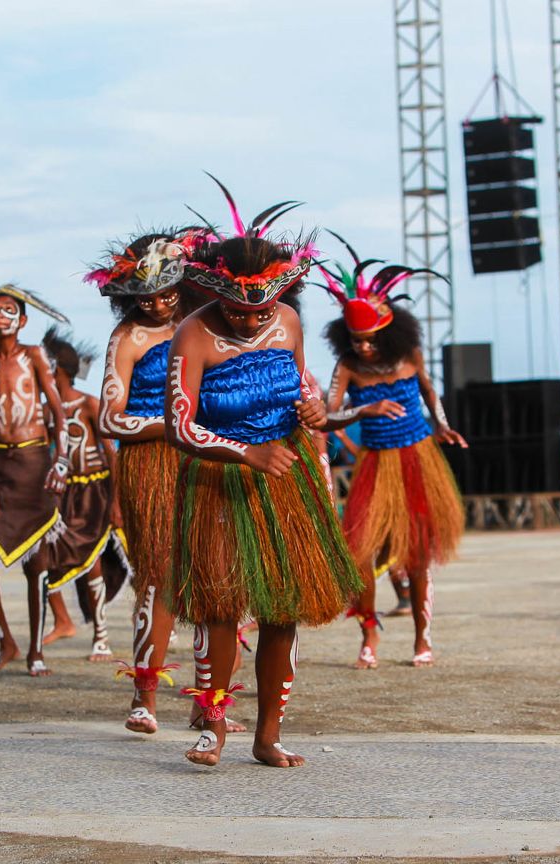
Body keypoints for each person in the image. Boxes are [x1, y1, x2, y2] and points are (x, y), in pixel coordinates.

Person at [164, 177, 361, 768]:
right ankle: (215, 723)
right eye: (236, 311)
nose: (250, 323)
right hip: (220, 483)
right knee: (222, 605)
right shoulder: (192, 332)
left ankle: (268, 734)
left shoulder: (290, 324)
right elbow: (180, 426)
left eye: (261, 311)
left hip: (285, 481)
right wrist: (245, 453)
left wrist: (314, 410)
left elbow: (303, 386)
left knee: (281, 607)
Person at [88, 228, 217, 733]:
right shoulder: (129, 338)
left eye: (168, 292)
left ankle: (210, 699)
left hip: (206, 461)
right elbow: (108, 418)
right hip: (153, 463)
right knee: (158, 578)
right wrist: (170, 425)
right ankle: (145, 696)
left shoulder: (204, 328)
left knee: (212, 579)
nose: (160, 303)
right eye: (147, 296)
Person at [317, 234, 466, 668]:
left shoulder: (410, 356)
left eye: (371, 339)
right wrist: (367, 407)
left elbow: (429, 391)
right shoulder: (347, 367)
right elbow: (329, 415)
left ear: (390, 331)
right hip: (375, 465)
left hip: (418, 460)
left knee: (417, 554)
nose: (363, 346)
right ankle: (369, 633)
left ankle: (423, 638)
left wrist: (442, 425)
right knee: (360, 553)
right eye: (356, 339)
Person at [0, 284, 70, 676]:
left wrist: (62, 461)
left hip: (35, 461)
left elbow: (58, 411)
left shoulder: (35, 355)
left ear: (22, 321)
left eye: (8, 310)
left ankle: (36, 650)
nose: (0, 315)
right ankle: (5, 639)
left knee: (37, 561)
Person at [39, 326, 130, 662]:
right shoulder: (47, 410)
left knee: (92, 560)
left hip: (95, 490)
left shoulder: (89, 404)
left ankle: (101, 636)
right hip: (63, 493)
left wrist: (116, 500)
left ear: (57, 369)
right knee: (43, 559)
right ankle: (63, 621)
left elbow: (111, 453)